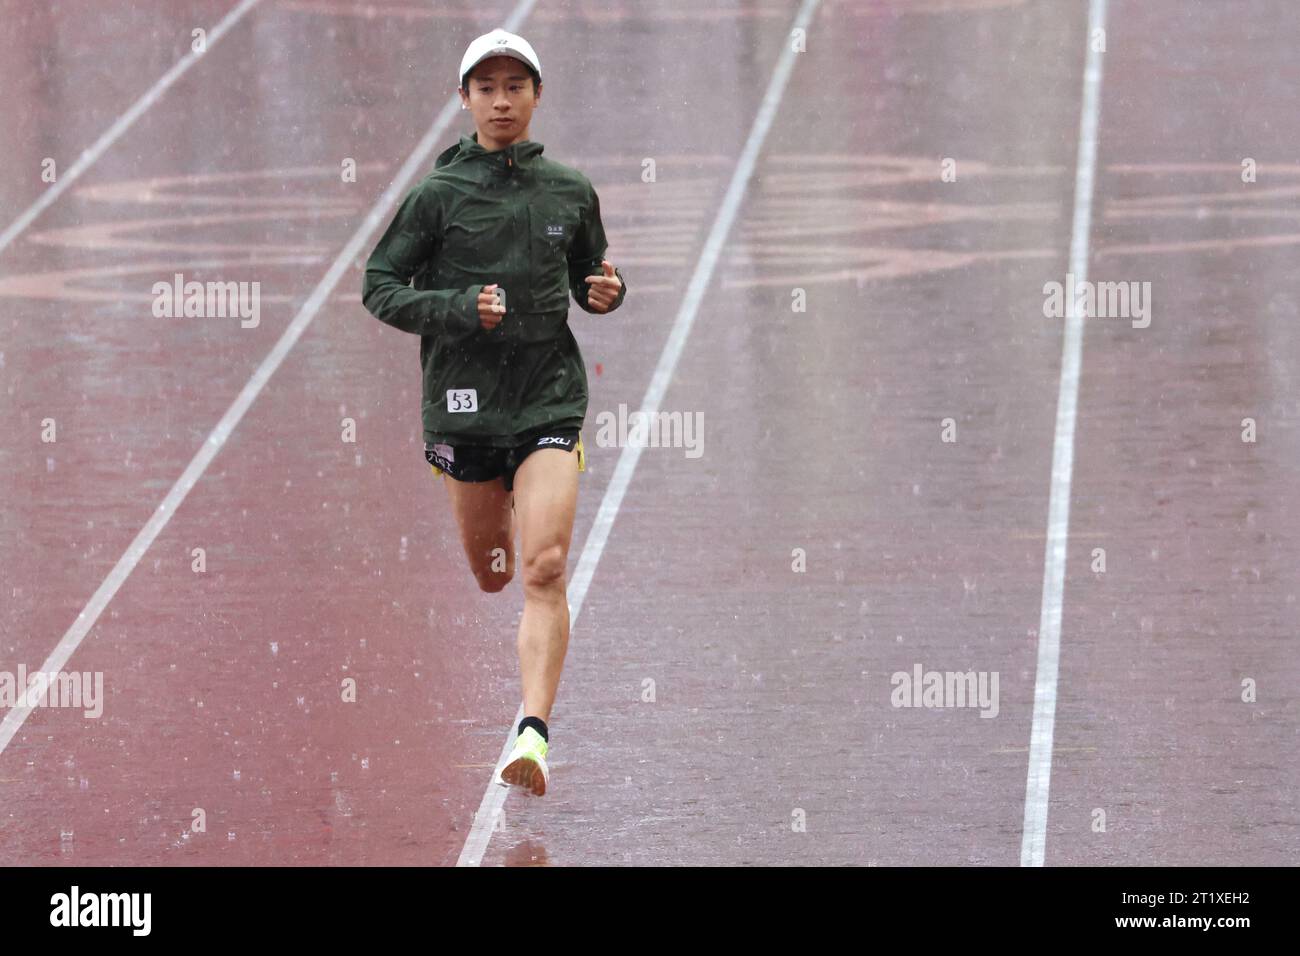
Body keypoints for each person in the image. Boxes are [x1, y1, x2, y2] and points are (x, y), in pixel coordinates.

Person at [362, 28, 626, 796]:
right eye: (487, 88)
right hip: (464, 410)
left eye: (516, 86)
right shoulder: (436, 197)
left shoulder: (569, 191)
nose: (502, 100)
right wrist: (455, 308)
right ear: (465, 99)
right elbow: (379, 285)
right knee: (494, 572)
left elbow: (589, 274)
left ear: (537, 95)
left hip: (548, 397)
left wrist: (605, 293)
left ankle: (533, 734)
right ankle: (507, 510)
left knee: (543, 568)